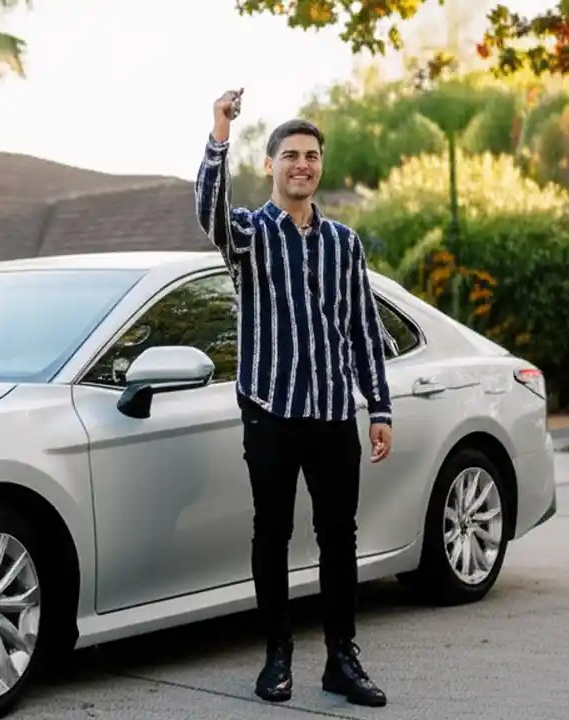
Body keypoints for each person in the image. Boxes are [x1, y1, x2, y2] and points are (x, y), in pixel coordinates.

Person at [193, 87, 393, 708]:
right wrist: (219, 131)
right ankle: (277, 655)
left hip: (335, 413)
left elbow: (361, 326)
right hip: (271, 411)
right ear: (270, 165)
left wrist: (379, 407)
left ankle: (342, 657)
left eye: (311, 156)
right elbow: (210, 211)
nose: (301, 164)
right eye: (290, 155)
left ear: (319, 166)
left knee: (340, 537)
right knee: (272, 535)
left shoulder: (344, 244)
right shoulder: (249, 235)